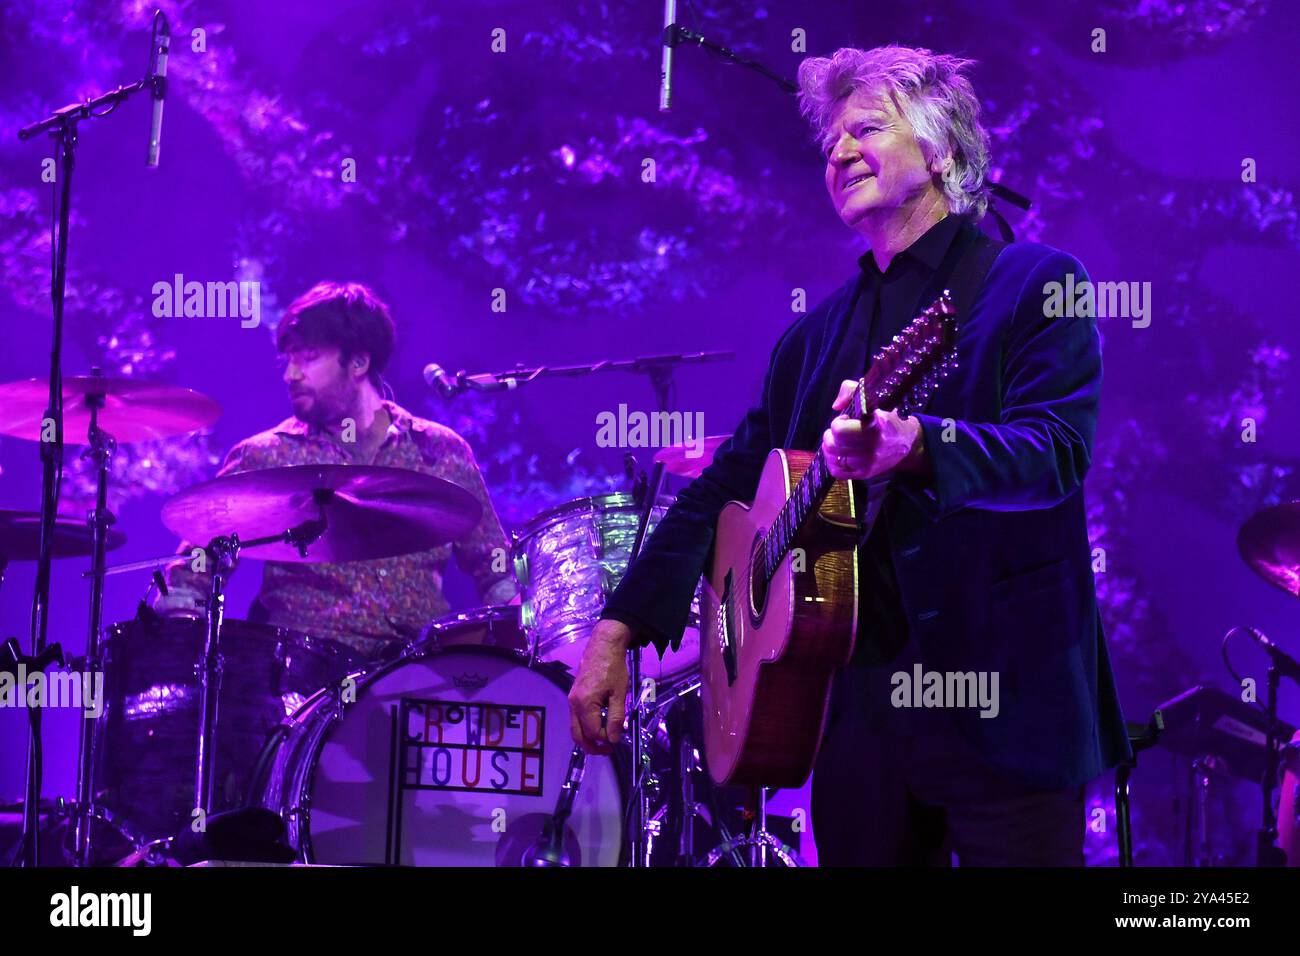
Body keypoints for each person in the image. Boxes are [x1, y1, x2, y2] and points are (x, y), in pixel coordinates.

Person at [568, 45, 1131, 866]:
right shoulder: (813, 336)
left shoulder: (1037, 283)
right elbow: (721, 490)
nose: (838, 151)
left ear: (941, 150)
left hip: (1011, 701)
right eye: (830, 140)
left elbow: (1055, 454)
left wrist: (916, 445)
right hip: (856, 716)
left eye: (866, 128)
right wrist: (618, 628)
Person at [157, 281, 516, 660]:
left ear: (359, 363)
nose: (290, 375)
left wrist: (524, 624)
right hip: (301, 680)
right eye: (289, 360)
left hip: (416, 676)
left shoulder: (440, 450)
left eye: (308, 358)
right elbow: (194, 572)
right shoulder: (264, 456)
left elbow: (497, 570)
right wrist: (181, 627)